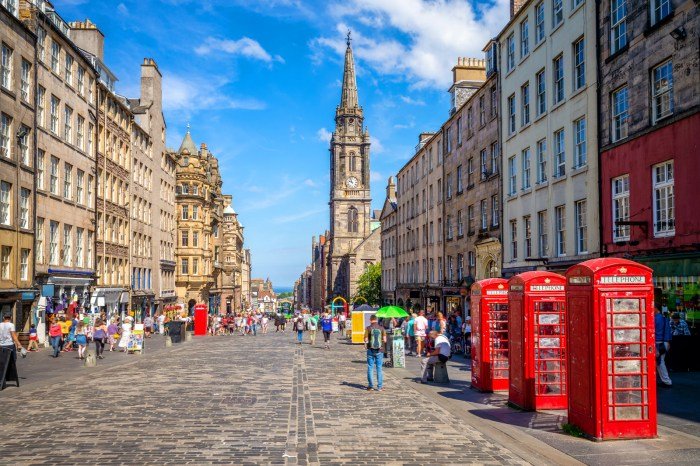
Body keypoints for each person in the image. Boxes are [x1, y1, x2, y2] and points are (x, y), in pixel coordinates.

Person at [364, 315, 387, 391]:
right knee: (379, 368)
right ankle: (379, 387)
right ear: (376, 320)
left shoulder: (368, 328)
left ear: (371, 320)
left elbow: (366, 339)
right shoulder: (381, 328)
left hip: (370, 350)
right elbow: (385, 340)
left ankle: (370, 386)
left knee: (370, 367)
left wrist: (366, 344)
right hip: (380, 350)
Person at [655, 306, 672, 388]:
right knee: (660, 362)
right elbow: (668, 330)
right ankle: (665, 380)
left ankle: (667, 381)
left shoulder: (655, 318)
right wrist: (668, 341)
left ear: (656, 308)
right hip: (664, 342)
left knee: (660, 362)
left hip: (658, 343)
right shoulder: (664, 318)